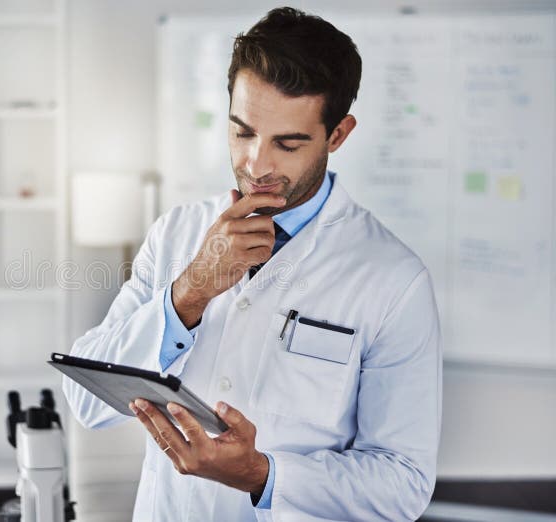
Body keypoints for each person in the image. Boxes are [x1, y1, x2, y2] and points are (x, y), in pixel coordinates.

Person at [63, 6, 441, 521]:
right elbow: (88, 404)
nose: (257, 165)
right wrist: (190, 291)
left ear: (338, 135)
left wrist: (263, 476)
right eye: (242, 132)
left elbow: (402, 485)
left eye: (288, 143)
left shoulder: (394, 279)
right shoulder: (176, 232)